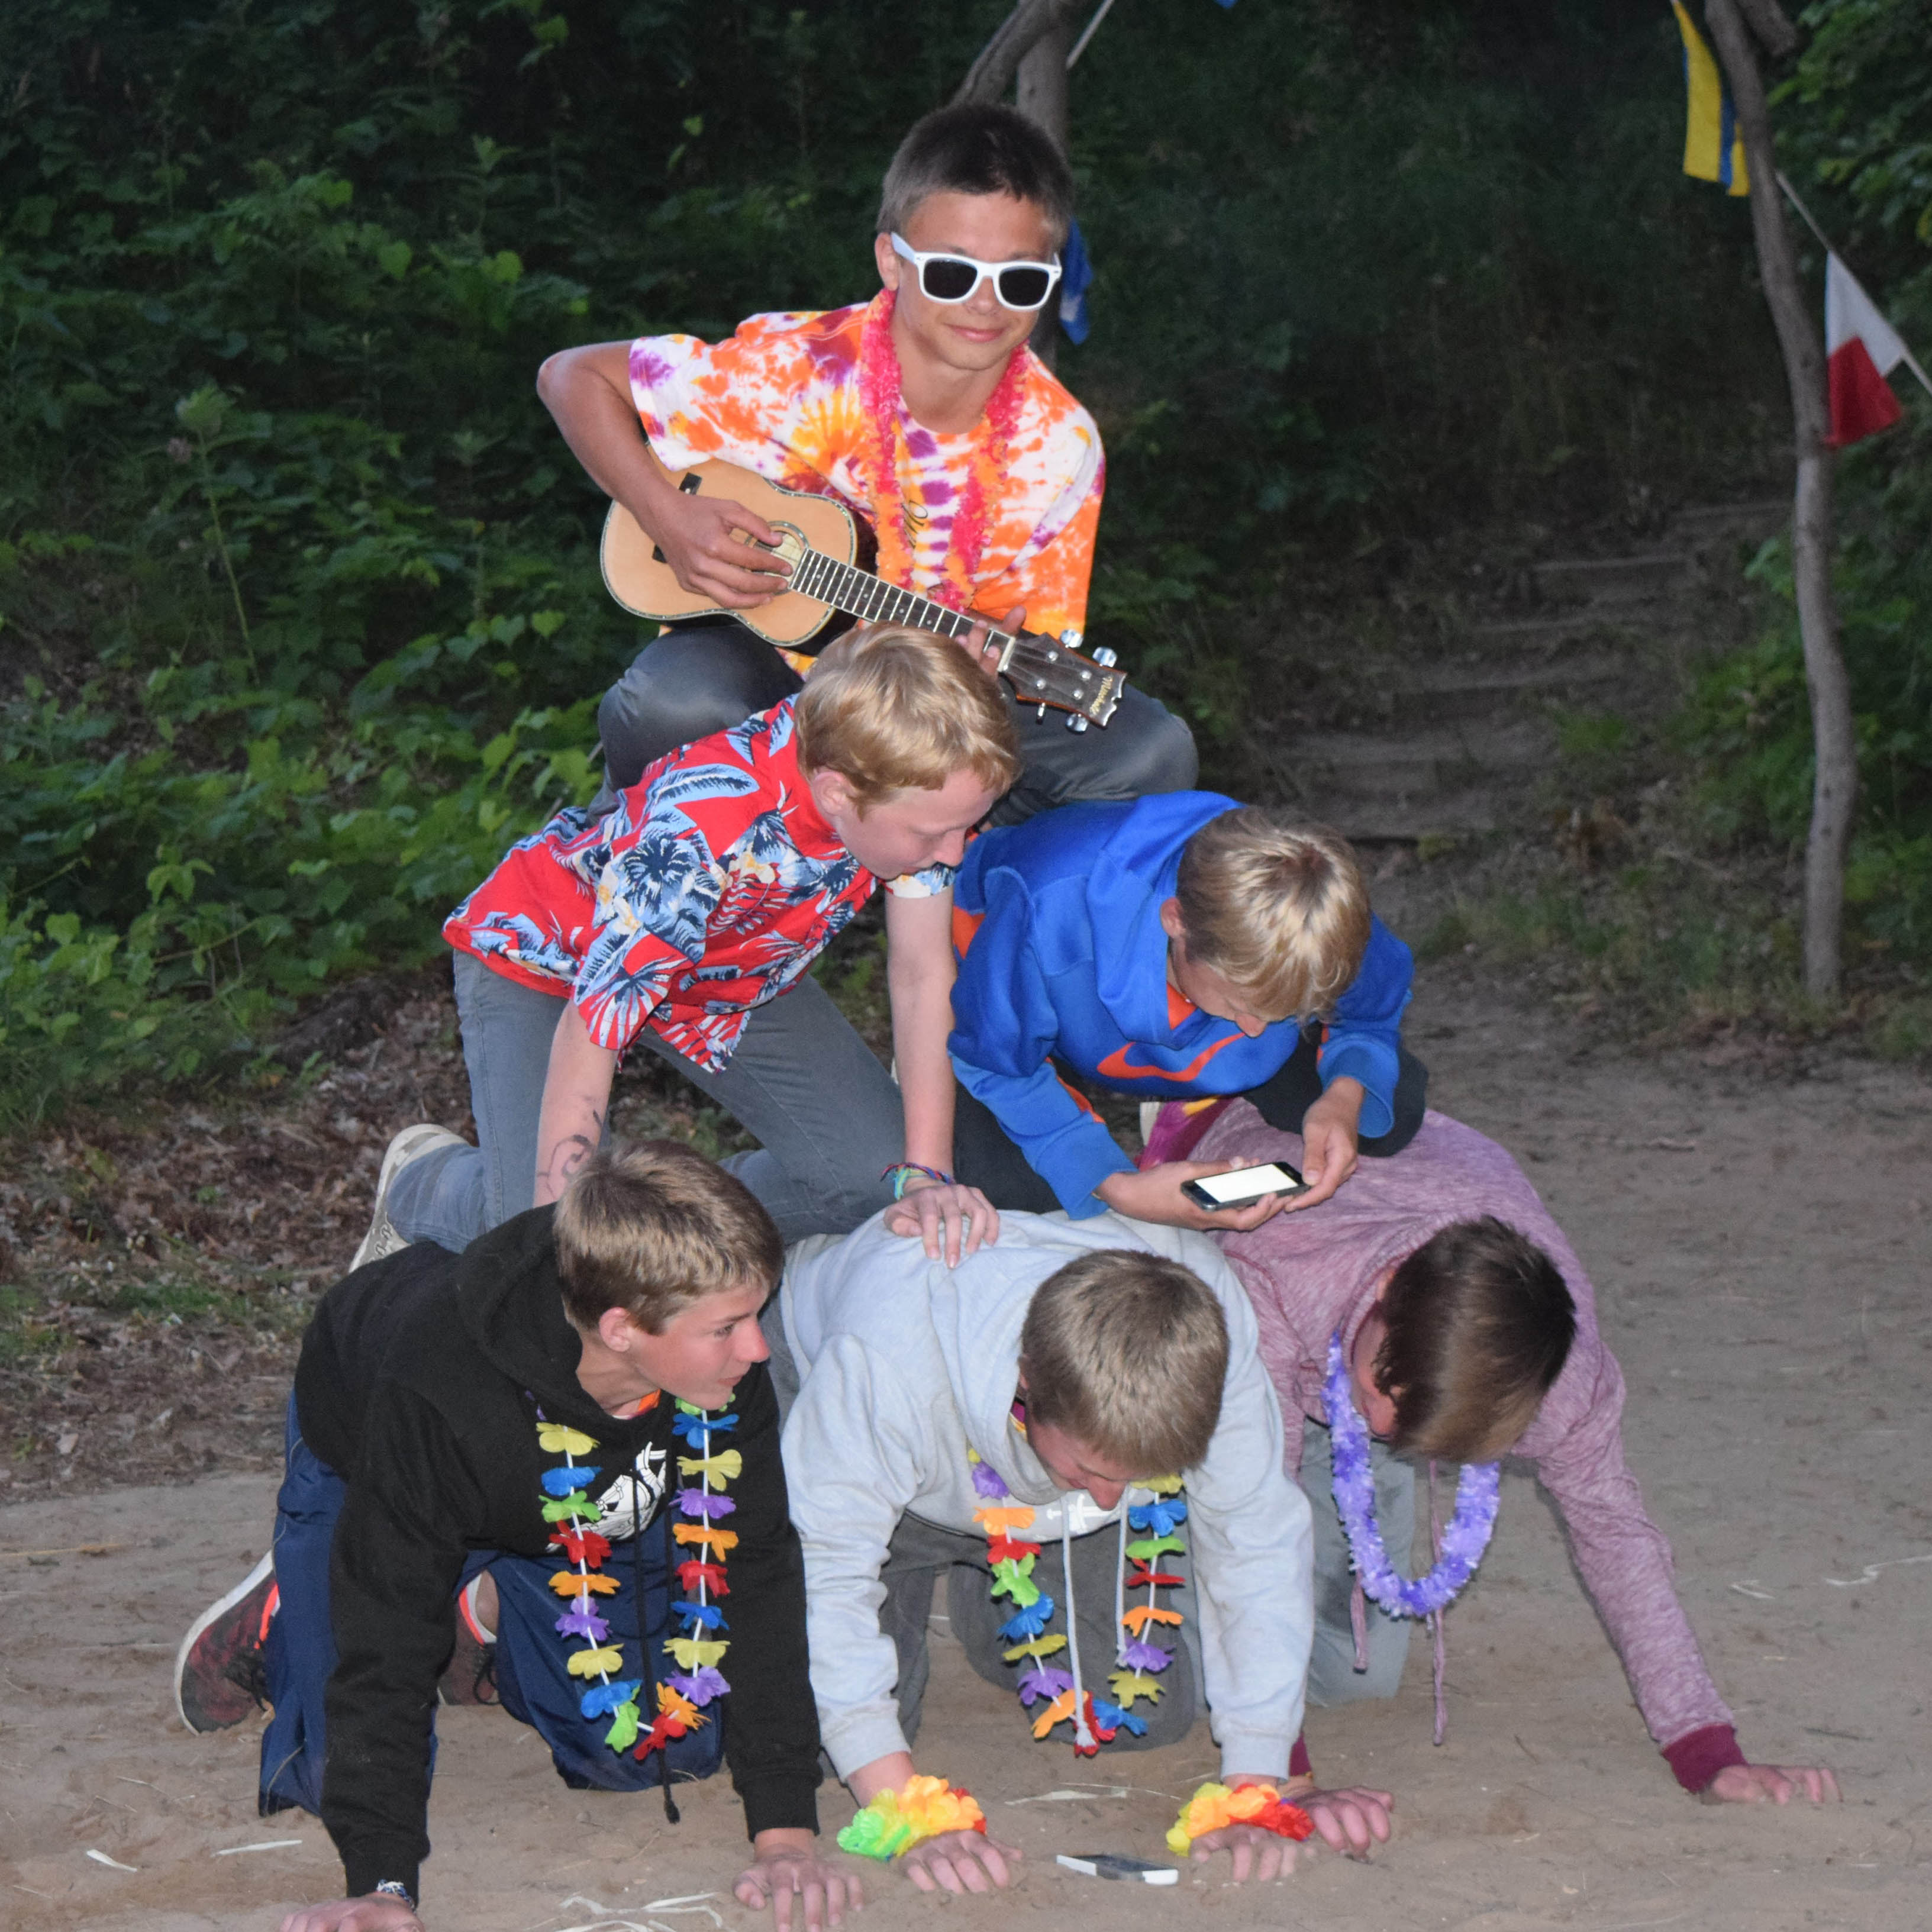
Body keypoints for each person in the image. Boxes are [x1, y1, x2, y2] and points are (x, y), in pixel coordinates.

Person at [173, 1141, 855, 1932]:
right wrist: (383, 1884)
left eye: (754, 1315)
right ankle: (295, 1599)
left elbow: (758, 1568)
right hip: (373, 1449)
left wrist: (784, 1835)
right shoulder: (437, 1391)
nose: (758, 1349)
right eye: (730, 1327)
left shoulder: (717, 1368)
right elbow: (388, 1639)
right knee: (340, 1780)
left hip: (565, 1492)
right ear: (621, 1326)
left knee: (657, 1749)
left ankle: (482, 1608)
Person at [1170, 1094, 1841, 1808]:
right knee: (1207, 1635)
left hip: (1397, 1292)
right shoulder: (1271, 1264)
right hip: (1242, 1225)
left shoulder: (1560, 1379)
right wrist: (1282, 1774)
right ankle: (1130, 1561)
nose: (1375, 1420)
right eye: (1378, 1390)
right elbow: (1250, 1516)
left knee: (1350, 1679)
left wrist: (1704, 1748)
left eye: (1409, 1428)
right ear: (1389, 1295)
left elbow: (1617, 1535)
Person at [535, 100, 1195, 823]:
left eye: (1019, 281)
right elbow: (571, 377)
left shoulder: (1059, 448)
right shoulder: (792, 370)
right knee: (675, 703)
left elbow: (1019, 635)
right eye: (950, 273)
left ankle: (955, 886)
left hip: (924, 696)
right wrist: (668, 515)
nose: (984, 304)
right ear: (892, 261)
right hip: (759, 674)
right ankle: (624, 867)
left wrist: (967, 671)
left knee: (1149, 755)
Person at [769, 1209, 1395, 1895]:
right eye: (1091, 1471)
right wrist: (908, 1814)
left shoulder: (1207, 1316)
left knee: (1141, 1720)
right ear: (1026, 1382)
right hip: (864, 1436)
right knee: (844, 1743)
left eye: (1129, 1478)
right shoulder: (882, 1353)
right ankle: (942, 1565)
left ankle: (994, 1579)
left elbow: (1254, 1539)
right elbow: (825, 1572)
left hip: (1020, 1479)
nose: (1106, 1502)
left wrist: (1255, 1788)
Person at [359, 627, 1018, 1268]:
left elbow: (922, 973)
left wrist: (927, 1176)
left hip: (725, 974)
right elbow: (593, 1029)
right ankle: (424, 1181)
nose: (953, 854)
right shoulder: (704, 832)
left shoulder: (902, 772)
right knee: (557, 1233)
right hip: (554, 964)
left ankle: (660, 1226)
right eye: (935, 834)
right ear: (837, 791)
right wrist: (569, 1247)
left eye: (964, 827)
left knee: (880, 1188)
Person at [946, 794, 1425, 1224]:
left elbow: (1368, 1013)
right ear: (1175, 921)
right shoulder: (1044, 906)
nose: (1256, 1030)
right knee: (1019, 1199)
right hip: (1037, 1021)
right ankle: (1183, 1093)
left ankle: (1193, 1108)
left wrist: (1344, 1094)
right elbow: (998, 1066)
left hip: (1189, 1004)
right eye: (1241, 1004)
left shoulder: (1314, 915)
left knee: (1388, 1109)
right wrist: (1120, 1187)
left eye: (1288, 1011)